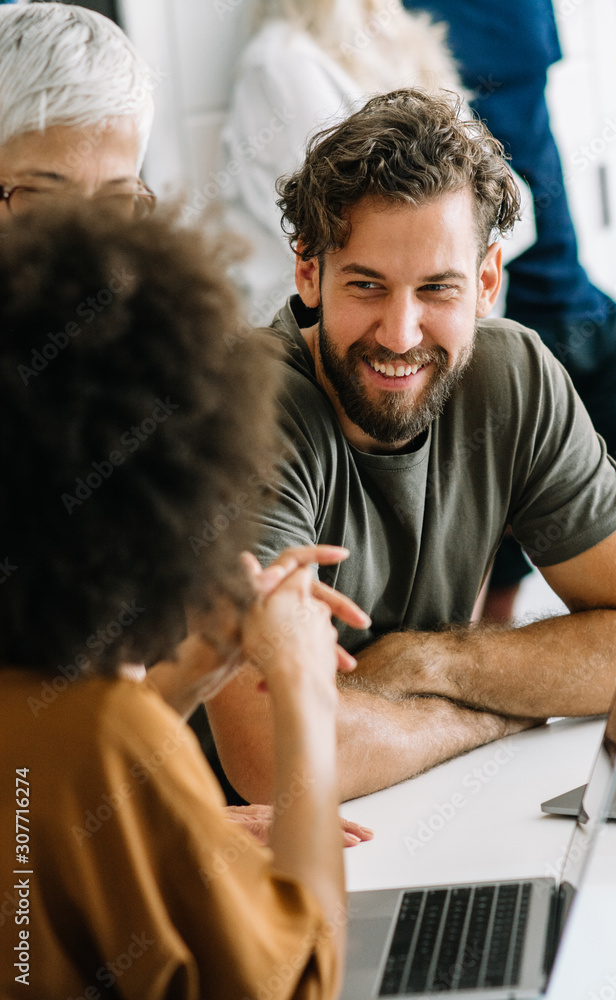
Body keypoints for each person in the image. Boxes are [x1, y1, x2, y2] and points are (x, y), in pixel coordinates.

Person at [206, 89, 616, 806]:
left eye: (436, 289)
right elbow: (277, 755)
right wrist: (494, 715)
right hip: (240, 860)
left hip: (413, 809)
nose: (399, 333)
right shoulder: (244, 410)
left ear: (486, 282)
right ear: (308, 271)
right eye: (366, 285)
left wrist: (435, 661)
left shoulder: (512, 377)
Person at [0, 0, 373, 840]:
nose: (90, 245)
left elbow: (83, 747)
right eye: (43, 200)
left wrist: (205, 671)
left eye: (119, 202)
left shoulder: (106, 400)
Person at [0, 202, 372, 999]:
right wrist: (303, 686)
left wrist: (187, 678)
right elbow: (301, 979)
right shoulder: (103, 729)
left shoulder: (54, 715)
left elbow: (54, 813)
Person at [402, 0, 616, 618]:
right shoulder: (383, 24)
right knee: (486, 558)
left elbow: (533, 127)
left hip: (570, 297)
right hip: (495, 315)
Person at [217, 0, 534, 326]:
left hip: (442, 338)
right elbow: (352, 235)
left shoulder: (407, 44)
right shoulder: (283, 64)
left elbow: (515, 213)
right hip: (326, 341)